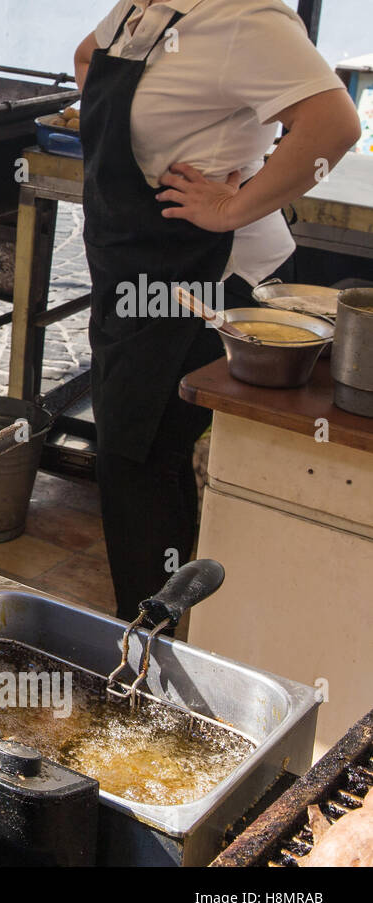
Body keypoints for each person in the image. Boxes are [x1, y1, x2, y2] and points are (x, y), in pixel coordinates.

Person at [72, 0, 361, 618]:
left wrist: (234, 204)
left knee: (142, 459)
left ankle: (157, 657)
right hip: (135, 268)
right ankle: (163, 639)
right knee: (130, 454)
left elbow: (333, 124)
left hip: (210, 277)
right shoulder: (143, 8)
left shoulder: (244, 15)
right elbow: (88, 58)